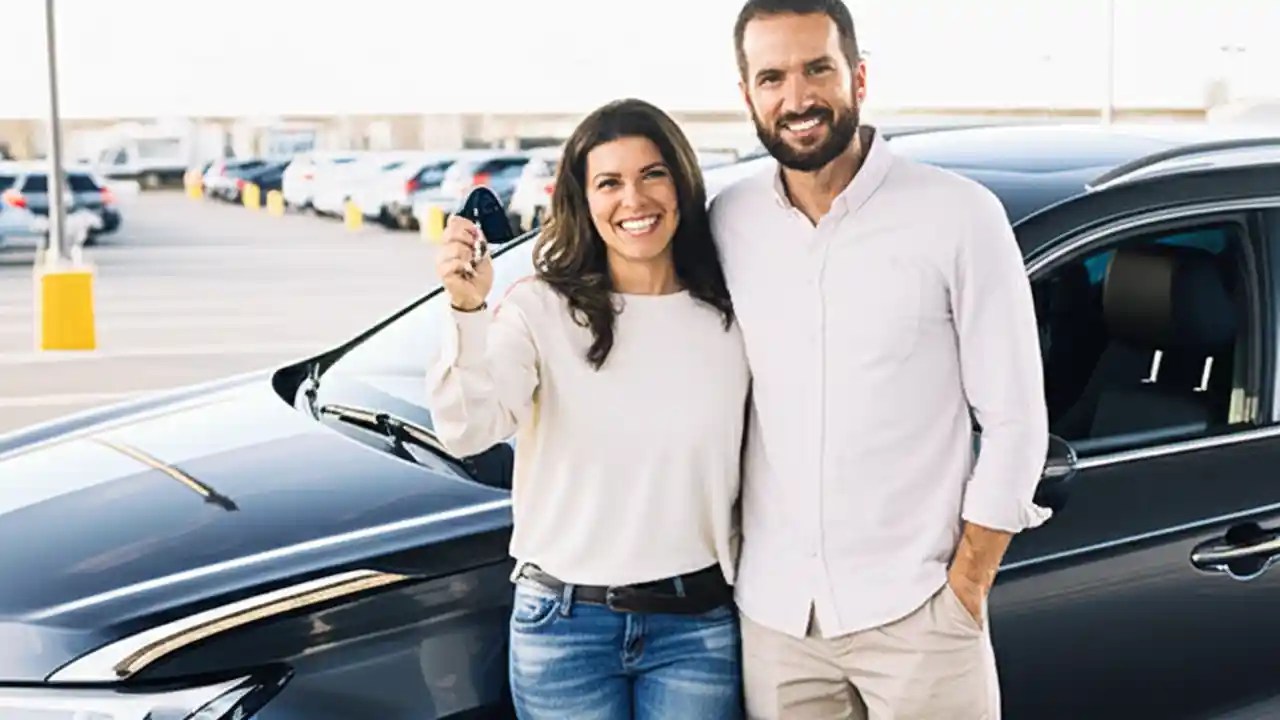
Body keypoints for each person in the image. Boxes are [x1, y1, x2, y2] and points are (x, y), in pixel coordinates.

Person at [709, 1, 1052, 718]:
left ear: (858, 78)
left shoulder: (959, 216)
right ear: (747, 95)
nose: (796, 98)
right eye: (772, 77)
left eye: (817, 69)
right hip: (777, 623)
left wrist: (965, 589)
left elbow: (1017, 421)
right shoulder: (728, 219)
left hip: (920, 613)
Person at [425, 98, 749, 720]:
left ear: (681, 181)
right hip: (565, 626)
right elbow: (467, 430)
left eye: (653, 174)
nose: (634, 200)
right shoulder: (539, 309)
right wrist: (466, 311)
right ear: (583, 199)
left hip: (697, 625)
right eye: (610, 182)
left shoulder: (731, 315)